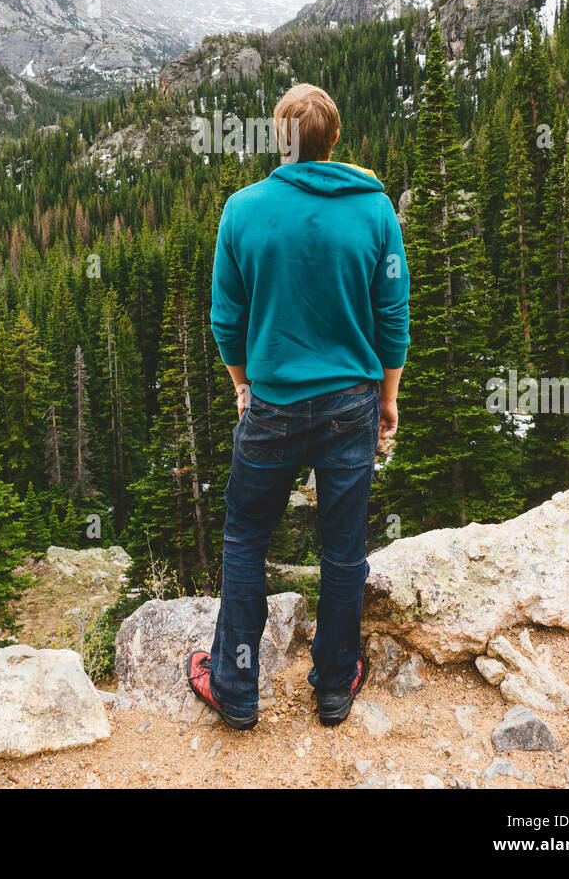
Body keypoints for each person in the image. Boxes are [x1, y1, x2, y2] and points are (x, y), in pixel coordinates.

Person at [187, 83, 410, 728]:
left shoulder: (243, 210)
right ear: (332, 141)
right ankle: (335, 684)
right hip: (352, 404)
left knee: (246, 537)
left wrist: (242, 384)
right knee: (343, 550)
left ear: (280, 141)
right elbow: (391, 317)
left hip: (273, 405)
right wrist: (388, 400)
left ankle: (236, 685)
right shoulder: (375, 209)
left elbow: (226, 320)